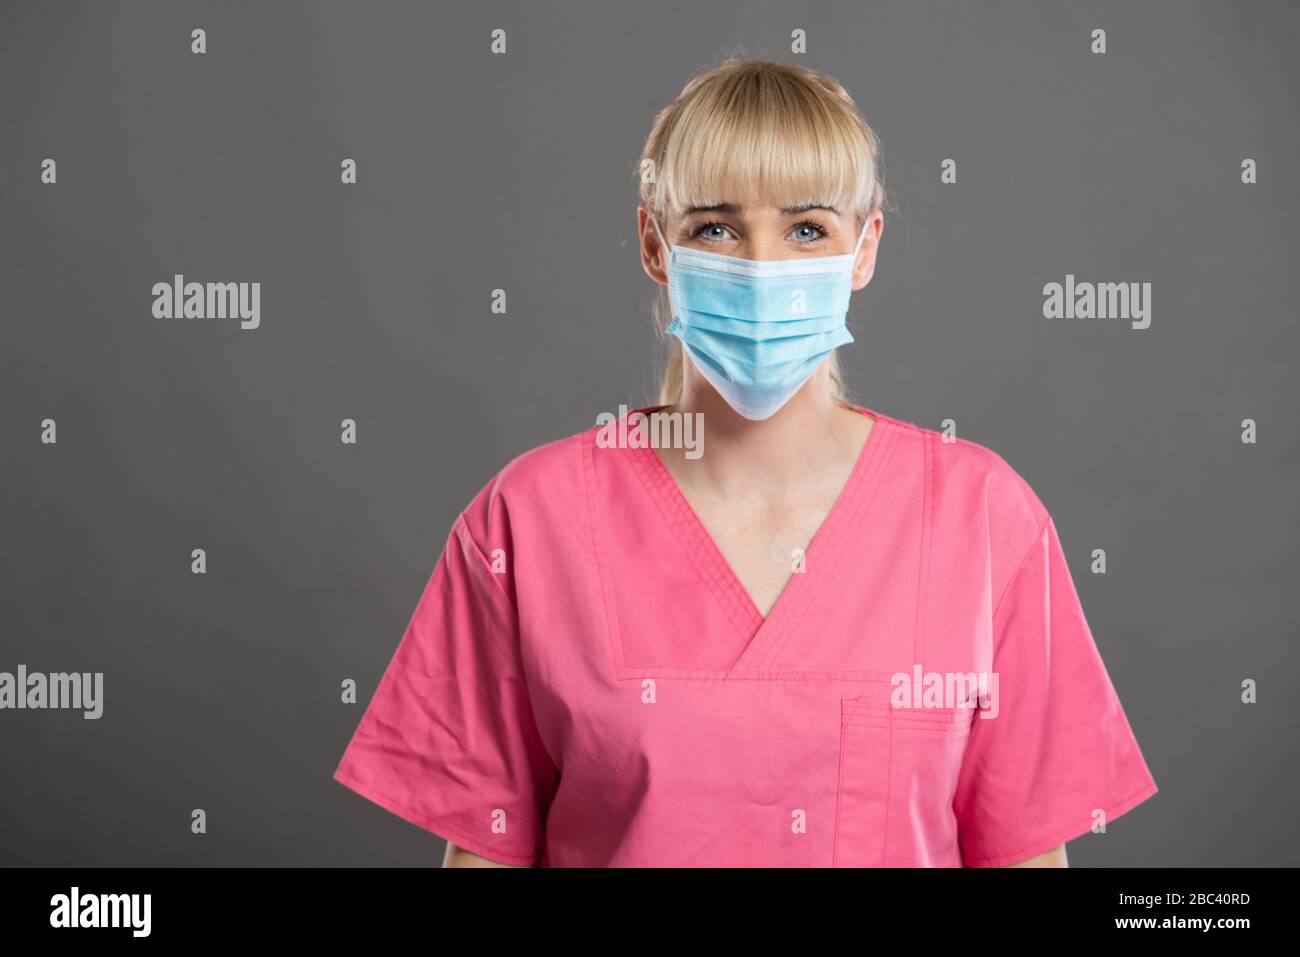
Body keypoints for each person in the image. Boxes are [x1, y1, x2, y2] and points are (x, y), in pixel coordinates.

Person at [333, 57, 1158, 868]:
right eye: (716, 229)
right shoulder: (528, 521)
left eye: (807, 230)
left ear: (864, 249)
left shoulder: (983, 519)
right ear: (656, 247)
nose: (762, 269)